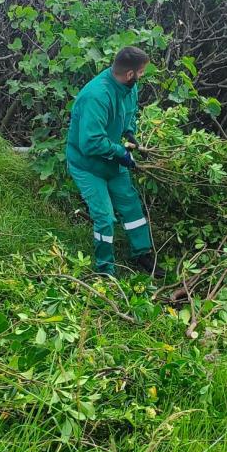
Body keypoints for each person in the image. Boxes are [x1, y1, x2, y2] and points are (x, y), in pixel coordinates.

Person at [66, 46, 163, 279]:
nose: (141, 77)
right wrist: (121, 153)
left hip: (112, 158)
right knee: (105, 218)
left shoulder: (130, 88)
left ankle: (141, 254)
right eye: (140, 73)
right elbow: (90, 142)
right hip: (88, 165)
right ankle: (105, 270)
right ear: (130, 74)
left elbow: (129, 114)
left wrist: (130, 133)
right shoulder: (96, 96)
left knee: (132, 207)